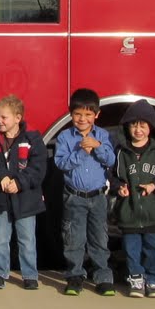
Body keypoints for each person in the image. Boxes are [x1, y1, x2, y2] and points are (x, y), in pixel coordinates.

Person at [0, 94, 46, 291]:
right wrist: (1, 177)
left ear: (17, 118)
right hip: (1, 198)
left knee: (27, 240)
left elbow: (38, 168)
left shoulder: (32, 139)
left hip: (26, 199)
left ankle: (30, 275)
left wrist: (20, 182)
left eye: (3, 117)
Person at [52, 87, 117, 295]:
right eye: (78, 114)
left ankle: (103, 278)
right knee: (74, 239)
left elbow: (111, 160)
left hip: (98, 197)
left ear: (96, 115)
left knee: (100, 239)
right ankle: (75, 276)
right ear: (70, 114)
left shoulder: (103, 135)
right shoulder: (65, 137)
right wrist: (81, 151)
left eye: (88, 114)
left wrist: (97, 146)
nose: (82, 119)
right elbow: (61, 163)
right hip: (74, 196)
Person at [112, 98, 155, 298]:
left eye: (143, 125)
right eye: (134, 125)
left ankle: (153, 279)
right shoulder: (121, 152)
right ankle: (135, 277)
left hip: (154, 213)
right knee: (131, 249)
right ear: (127, 127)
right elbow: (111, 175)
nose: (138, 130)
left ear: (151, 127)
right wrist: (118, 187)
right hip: (129, 211)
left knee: (154, 249)